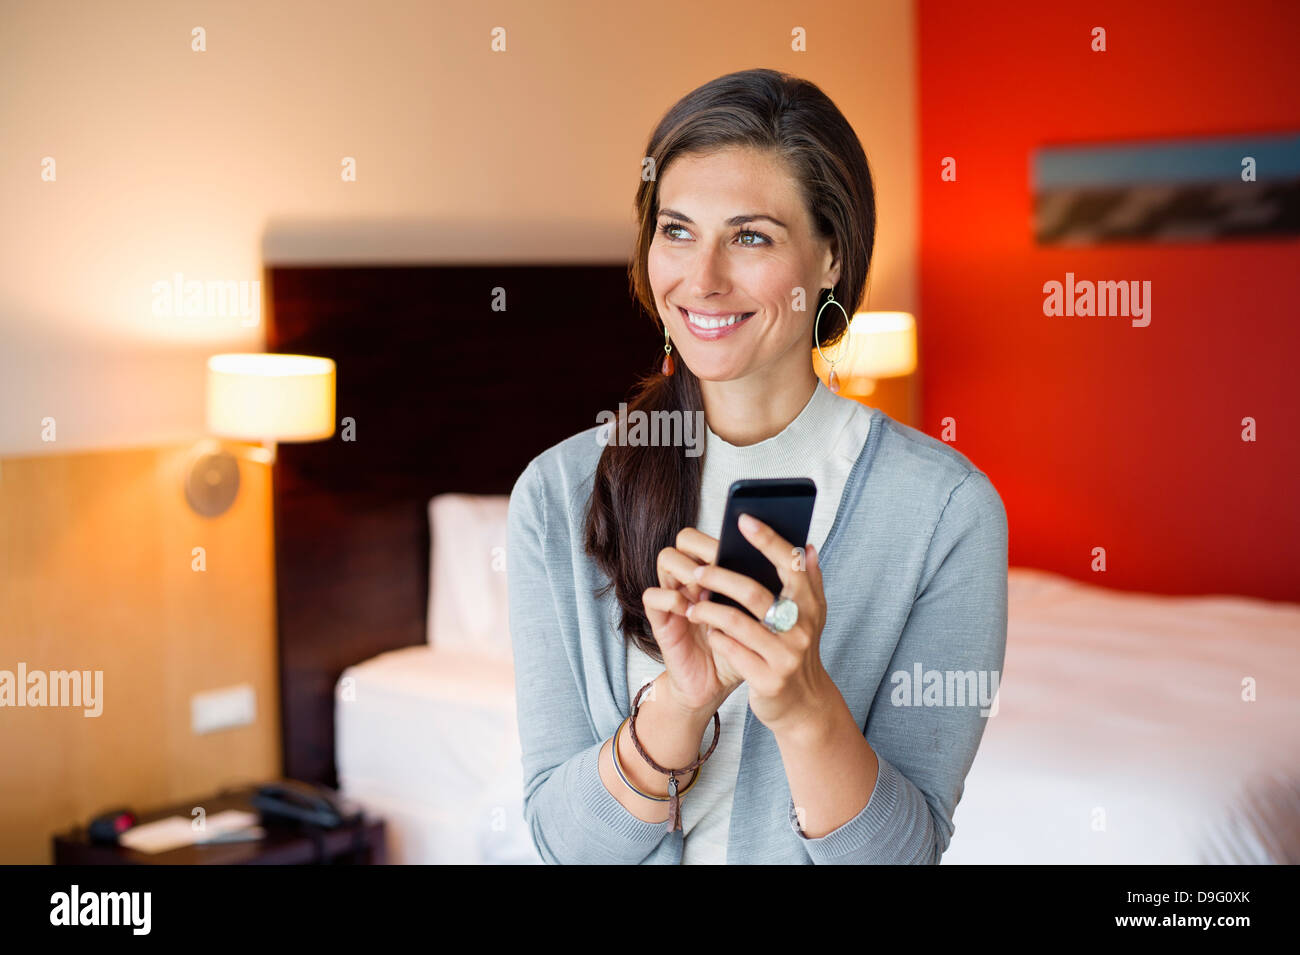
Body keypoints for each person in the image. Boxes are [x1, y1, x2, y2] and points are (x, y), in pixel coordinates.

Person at [507, 68, 1007, 864]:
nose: (701, 280)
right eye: (676, 230)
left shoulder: (946, 510)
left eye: (751, 236)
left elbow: (904, 855)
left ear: (832, 257)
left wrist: (804, 705)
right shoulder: (555, 494)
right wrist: (681, 701)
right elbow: (564, 846)